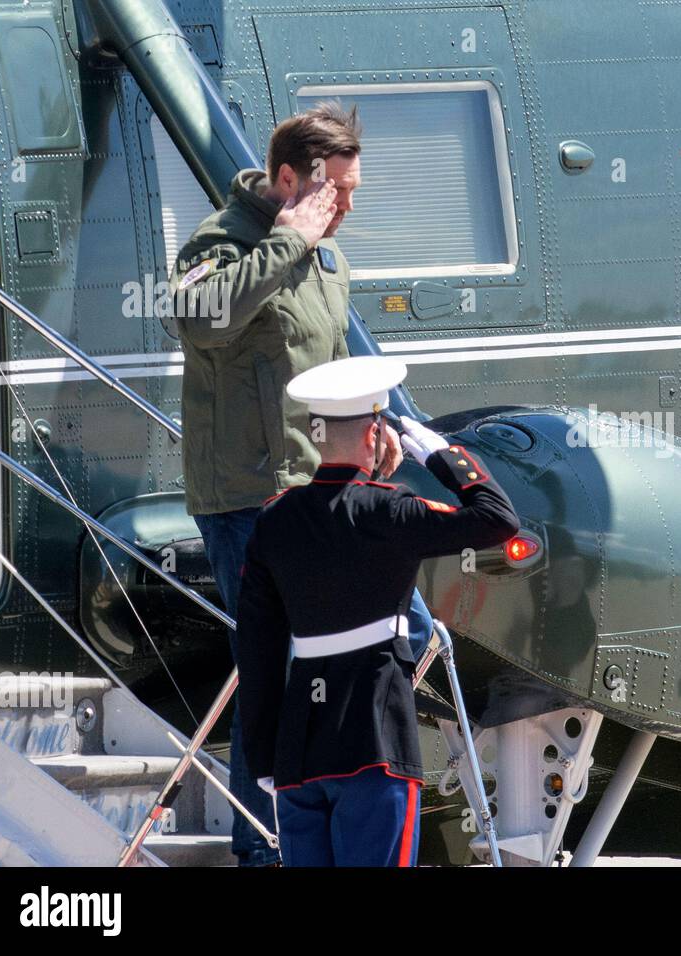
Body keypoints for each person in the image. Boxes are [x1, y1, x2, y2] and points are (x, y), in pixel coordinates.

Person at [170, 102, 424, 865]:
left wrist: (372, 431)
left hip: (322, 493)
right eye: (334, 193)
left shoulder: (329, 261)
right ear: (288, 181)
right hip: (249, 502)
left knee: (404, 636)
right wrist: (288, 241)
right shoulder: (221, 243)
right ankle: (261, 848)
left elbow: (340, 369)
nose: (345, 208)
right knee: (273, 673)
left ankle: (341, 817)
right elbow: (195, 318)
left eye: (353, 193)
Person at [234, 356, 519, 866]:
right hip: (374, 739)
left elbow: (256, 652)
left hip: (298, 751)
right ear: (375, 434)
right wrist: (444, 455)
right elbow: (497, 519)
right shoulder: (389, 510)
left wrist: (264, 755)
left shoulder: (273, 523)